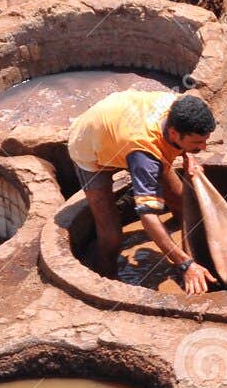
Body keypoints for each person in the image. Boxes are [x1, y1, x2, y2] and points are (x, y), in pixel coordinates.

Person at [67, 91, 218, 295]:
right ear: (173, 133)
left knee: (181, 200)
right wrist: (185, 264)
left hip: (121, 122)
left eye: (204, 141)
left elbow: (193, 96)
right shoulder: (145, 155)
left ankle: (188, 246)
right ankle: (106, 280)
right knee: (111, 233)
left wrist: (188, 154)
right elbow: (147, 215)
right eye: (197, 143)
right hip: (90, 147)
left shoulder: (178, 107)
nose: (204, 147)